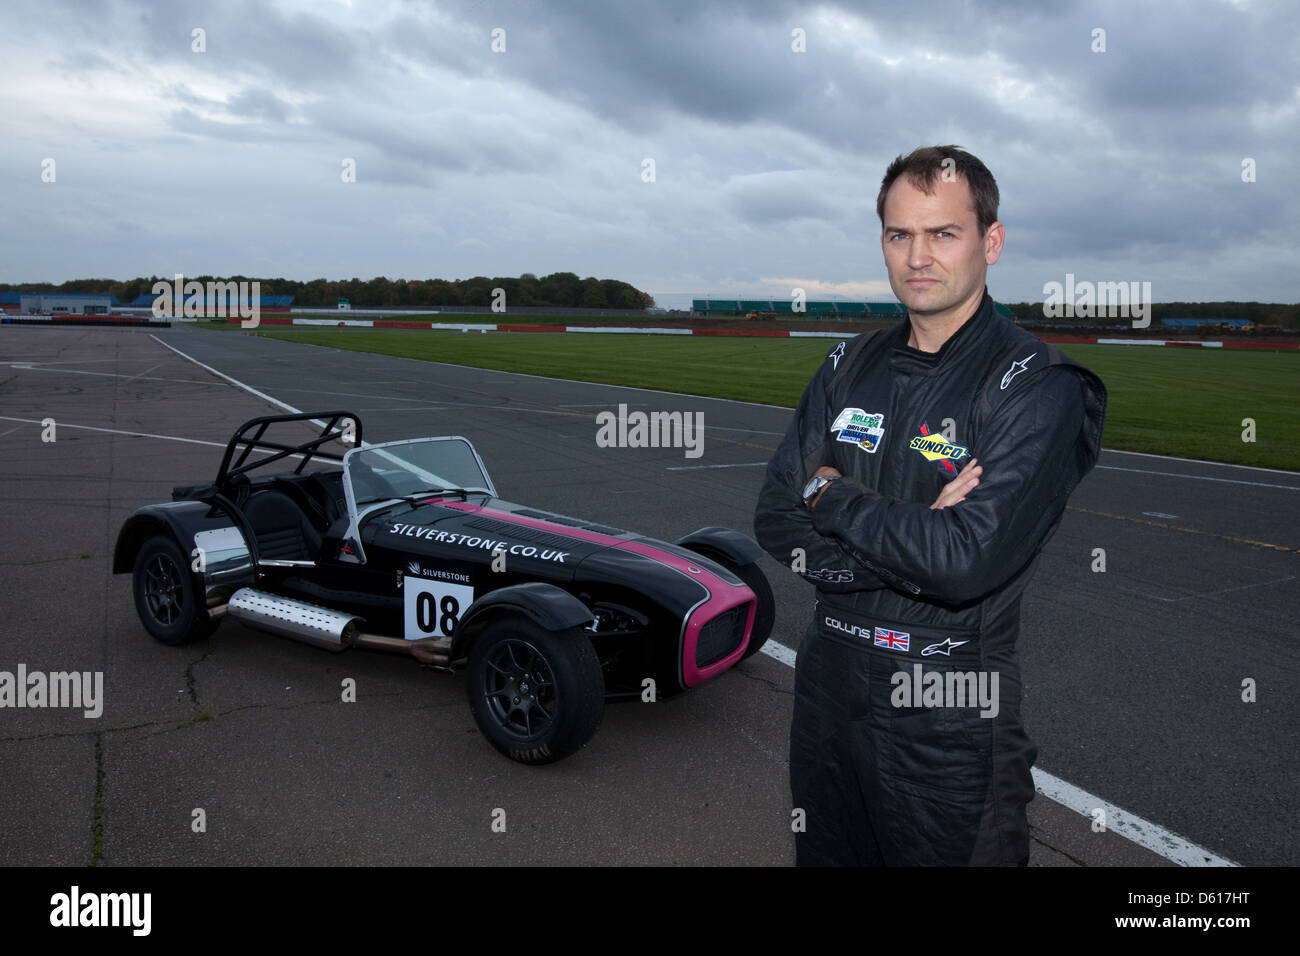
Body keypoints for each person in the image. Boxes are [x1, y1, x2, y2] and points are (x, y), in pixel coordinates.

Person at [753, 145, 1107, 866]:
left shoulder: (1035, 385)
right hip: (827, 685)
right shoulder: (846, 364)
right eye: (898, 234)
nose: (918, 256)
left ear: (991, 242)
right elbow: (775, 519)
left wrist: (833, 492)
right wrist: (914, 539)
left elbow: (964, 562)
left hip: (947, 701)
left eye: (944, 233)